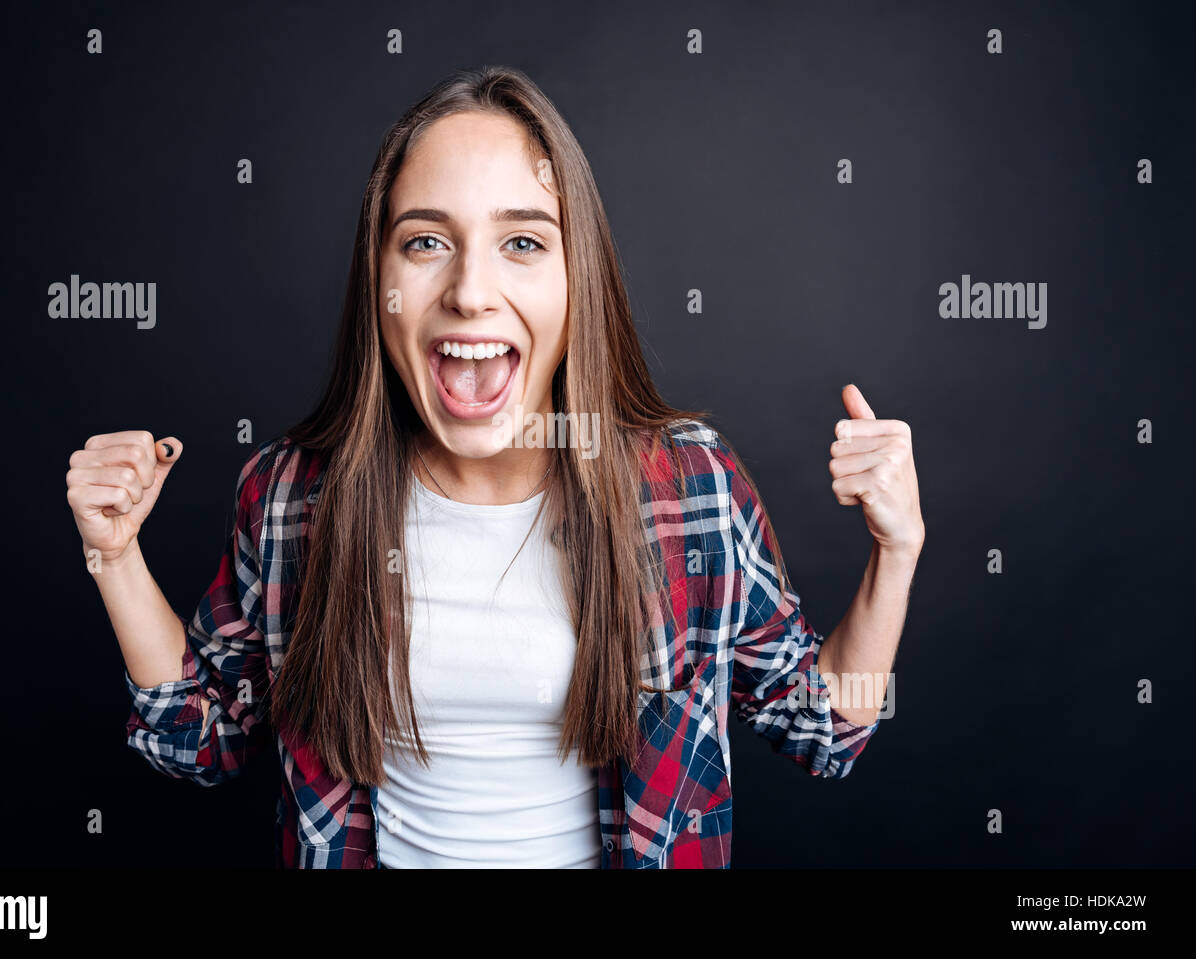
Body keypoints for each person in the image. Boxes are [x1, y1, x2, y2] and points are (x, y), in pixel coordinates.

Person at [65, 64, 924, 869]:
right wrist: (114, 558)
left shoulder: (688, 488)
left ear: (575, 278)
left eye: (522, 242)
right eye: (426, 241)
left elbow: (825, 729)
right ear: (380, 280)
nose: (471, 290)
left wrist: (896, 551)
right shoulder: (291, 496)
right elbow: (202, 742)